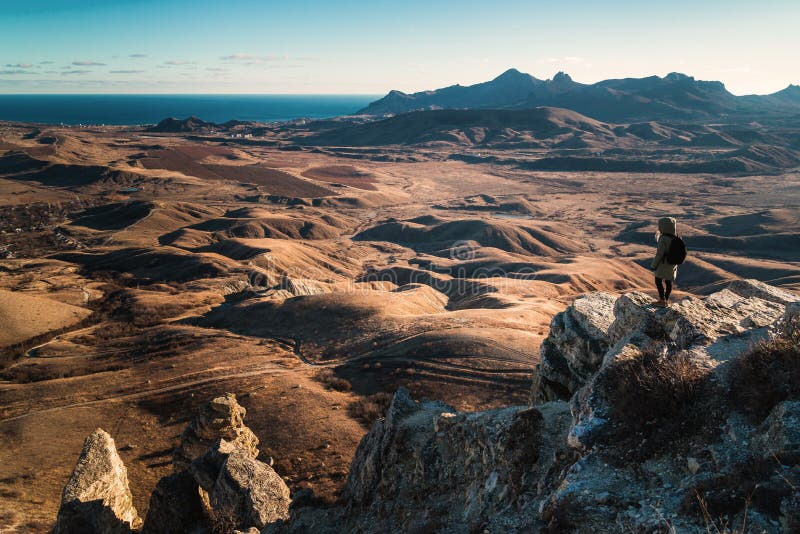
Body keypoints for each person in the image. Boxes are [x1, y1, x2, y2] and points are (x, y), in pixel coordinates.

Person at [651, 216, 678, 307]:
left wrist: (654, 265)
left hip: (663, 264)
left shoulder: (663, 238)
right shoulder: (677, 237)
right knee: (668, 282)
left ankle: (662, 300)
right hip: (673, 263)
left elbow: (659, 254)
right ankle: (665, 300)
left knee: (658, 280)